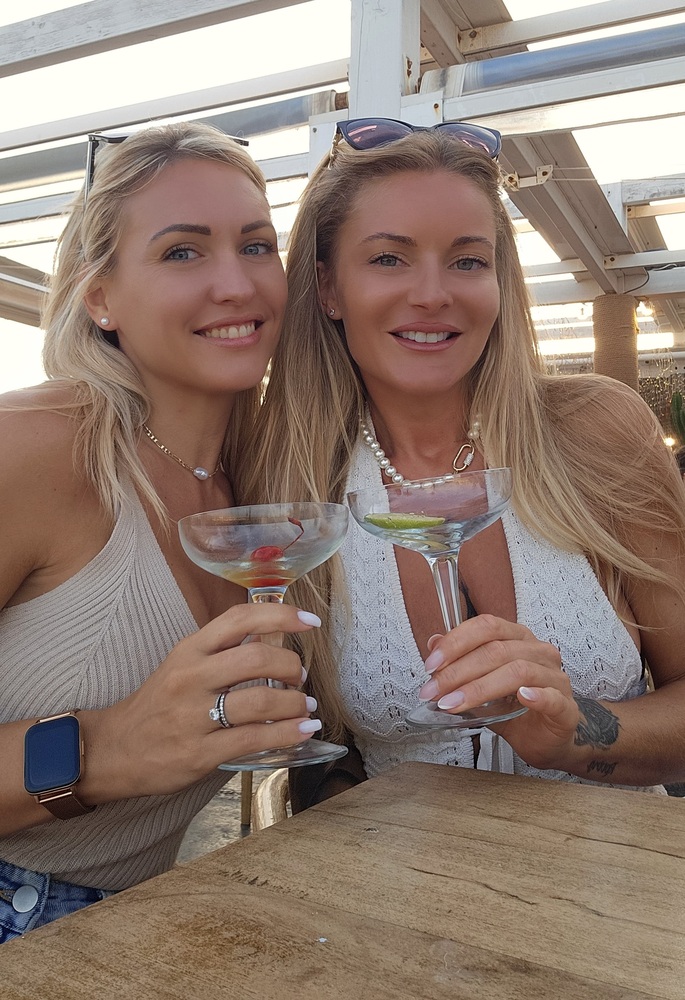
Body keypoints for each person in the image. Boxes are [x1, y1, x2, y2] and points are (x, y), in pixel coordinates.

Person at [239, 118, 685, 807]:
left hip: (615, 871)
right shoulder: (298, 480)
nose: (432, 294)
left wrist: (579, 732)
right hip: (396, 870)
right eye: (388, 259)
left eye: (467, 261)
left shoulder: (594, 430)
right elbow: (326, 750)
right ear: (328, 288)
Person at [0, 121, 324, 940]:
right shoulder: (32, 448)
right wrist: (108, 747)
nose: (236, 284)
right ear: (100, 298)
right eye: (182, 251)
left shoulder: (264, 483)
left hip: (133, 922)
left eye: (256, 246)